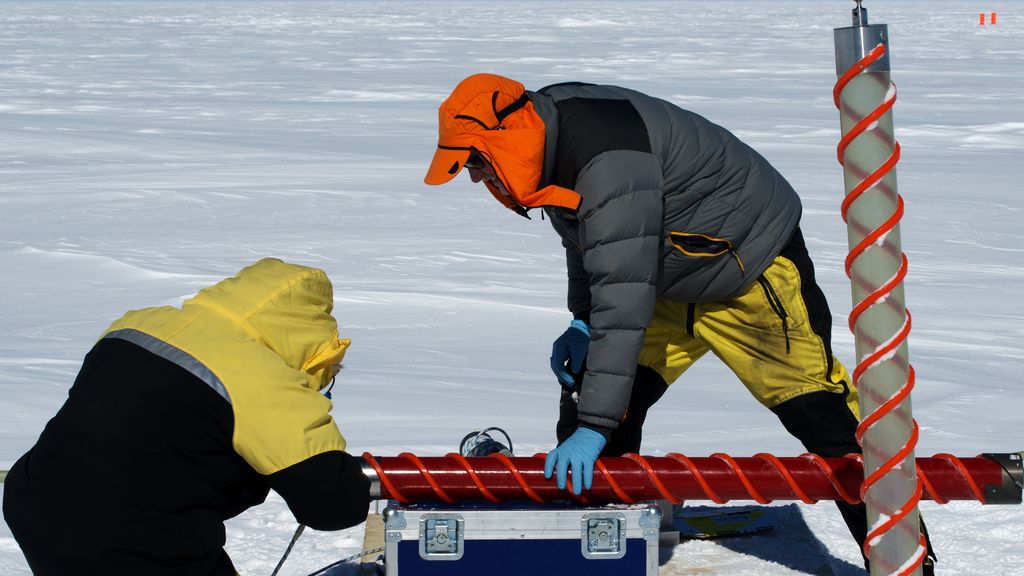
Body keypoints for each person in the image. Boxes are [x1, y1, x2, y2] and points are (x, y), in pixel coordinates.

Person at [423, 73, 935, 572]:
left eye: (473, 161)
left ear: (503, 138)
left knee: (822, 418)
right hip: (666, 272)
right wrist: (582, 321)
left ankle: (903, 559)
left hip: (747, 269)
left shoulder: (607, 161)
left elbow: (621, 301)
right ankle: (602, 539)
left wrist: (594, 426)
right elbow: (586, 237)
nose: (473, 176)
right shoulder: (545, 131)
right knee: (591, 388)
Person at [2, 258, 371, 576]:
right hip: (132, 540)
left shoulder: (137, 325)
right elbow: (332, 505)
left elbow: (162, 435)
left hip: (35, 502)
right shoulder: (262, 377)